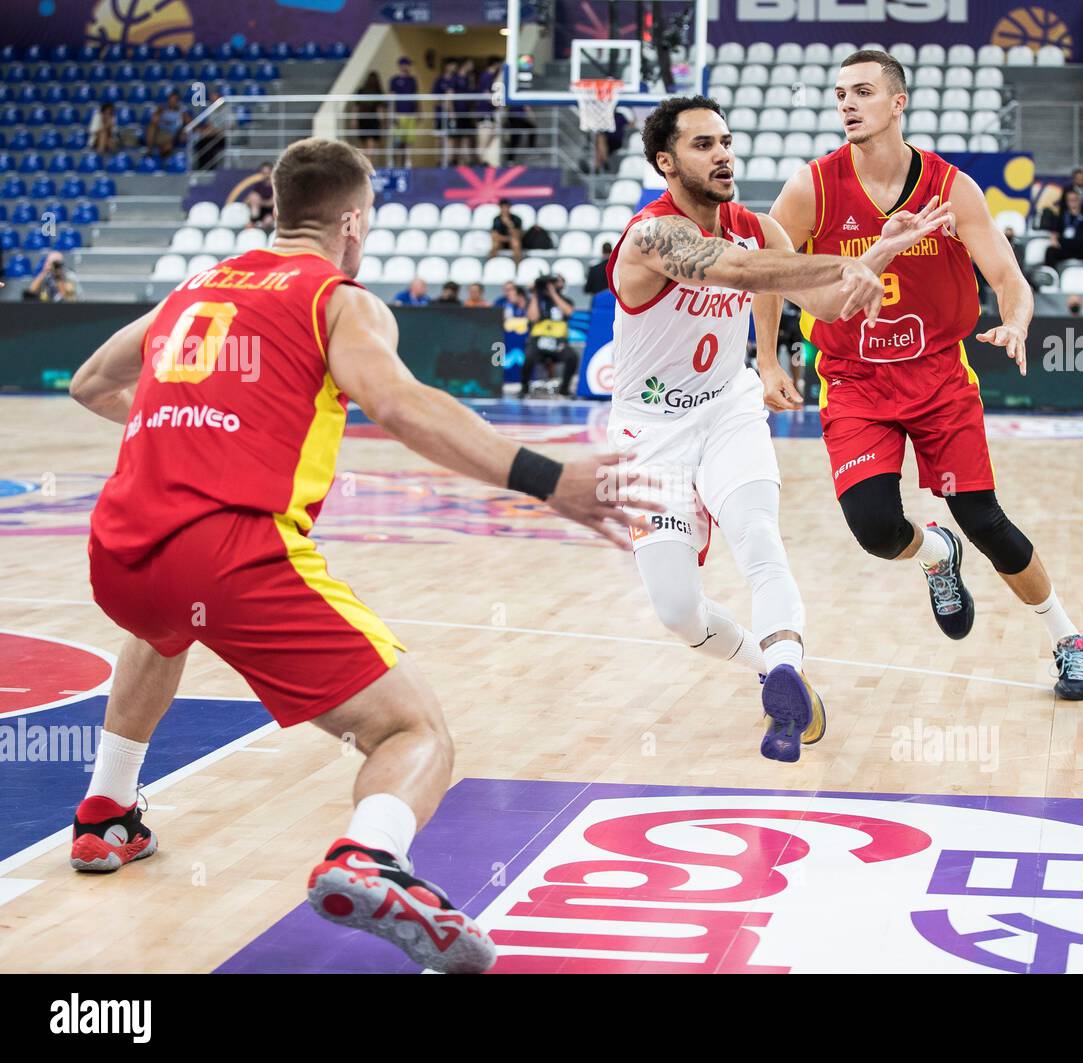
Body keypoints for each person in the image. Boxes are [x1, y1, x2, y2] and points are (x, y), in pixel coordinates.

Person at [65, 137, 650, 975]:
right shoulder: (336, 298)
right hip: (229, 553)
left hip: (120, 549)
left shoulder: (194, 288)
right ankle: (368, 855)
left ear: (276, 207)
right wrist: (546, 477)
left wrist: (194, 432)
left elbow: (88, 382)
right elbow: (401, 404)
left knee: (163, 624)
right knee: (414, 730)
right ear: (352, 220)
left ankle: (106, 813)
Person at [608, 94, 947, 761]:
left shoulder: (759, 227)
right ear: (665, 163)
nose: (725, 154)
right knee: (678, 610)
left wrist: (876, 253)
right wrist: (841, 261)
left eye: (727, 140)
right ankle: (766, 672)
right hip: (647, 435)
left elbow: (823, 301)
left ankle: (786, 667)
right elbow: (733, 270)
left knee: (759, 538)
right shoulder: (651, 236)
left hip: (727, 410)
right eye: (704, 145)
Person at [766, 49, 1083, 704]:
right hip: (855, 378)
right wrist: (766, 358)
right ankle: (934, 555)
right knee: (875, 529)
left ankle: (1069, 638)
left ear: (898, 103)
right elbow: (768, 270)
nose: (846, 104)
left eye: (861, 92)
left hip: (939, 374)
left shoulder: (952, 189)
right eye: (839, 94)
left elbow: (1008, 278)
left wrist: (1018, 321)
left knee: (986, 519)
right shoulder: (812, 187)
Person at [521, 274, 578, 397]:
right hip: (539, 341)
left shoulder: (565, 300)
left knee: (572, 357)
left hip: (558, 342)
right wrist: (535, 293)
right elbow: (533, 317)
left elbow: (569, 311)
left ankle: (564, 389)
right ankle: (524, 388)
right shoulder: (537, 300)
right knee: (528, 357)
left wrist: (553, 293)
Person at [1044, 187, 1083, 272]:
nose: (1072, 202)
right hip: (1064, 248)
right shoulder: (1061, 215)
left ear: (1080, 200)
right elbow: (1054, 232)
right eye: (1070, 200)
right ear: (1067, 201)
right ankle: (1051, 276)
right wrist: (1054, 241)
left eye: (1075, 199)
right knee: (1050, 251)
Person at [389, 57, 419, 168]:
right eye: (406, 64)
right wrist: (392, 114)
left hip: (410, 114)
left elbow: (415, 97)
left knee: (409, 140)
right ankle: (394, 163)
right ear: (401, 65)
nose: (408, 67)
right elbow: (391, 98)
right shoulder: (394, 80)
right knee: (397, 141)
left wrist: (418, 111)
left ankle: (407, 162)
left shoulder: (412, 80)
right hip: (398, 113)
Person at [432, 60, 459, 166]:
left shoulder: (456, 80)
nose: (454, 67)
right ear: (447, 66)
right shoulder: (439, 80)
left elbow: (451, 97)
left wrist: (452, 112)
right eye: (452, 64)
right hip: (440, 114)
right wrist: (448, 110)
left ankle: (449, 161)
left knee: (451, 137)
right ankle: (439, 161)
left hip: (452, 114)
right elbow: (436, 97)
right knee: (439, 137)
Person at [146, 91, 189, 159]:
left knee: (168, 144)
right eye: (171, 100)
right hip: (160, 132)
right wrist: (159, 113)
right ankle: (150, 149)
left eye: (175, 100)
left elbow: (189, 123)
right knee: (151, 127)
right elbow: (153, 119)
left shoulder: (181, 112)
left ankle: (164, 154)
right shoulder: (161, 109)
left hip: (173, 134)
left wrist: (184, 131)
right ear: (168, 100)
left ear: (177, 101)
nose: (172, 102)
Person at [353, 71, 384, 160]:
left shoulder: (361, 91)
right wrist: (382, 122)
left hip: (362, 118)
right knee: (370, 143)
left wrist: (354, 120)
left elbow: (356, 107)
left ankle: (365, 161)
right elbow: (380, 109)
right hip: (372, 119)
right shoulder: (378, 92)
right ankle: (368, 161)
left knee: (363, 143)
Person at [490, 199, 524, 265]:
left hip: (512, 241)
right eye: (503, 207)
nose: (505, 210)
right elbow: (494, 235)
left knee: (515, 243)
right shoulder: (496, 219)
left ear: (509, 207)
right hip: (502, 241)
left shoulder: (516, 219)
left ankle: (518, 266)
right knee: (495, 244)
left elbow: (518, 235)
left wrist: (509, 223)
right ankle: (491, 265)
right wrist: (506, 239)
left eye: (506, 207)